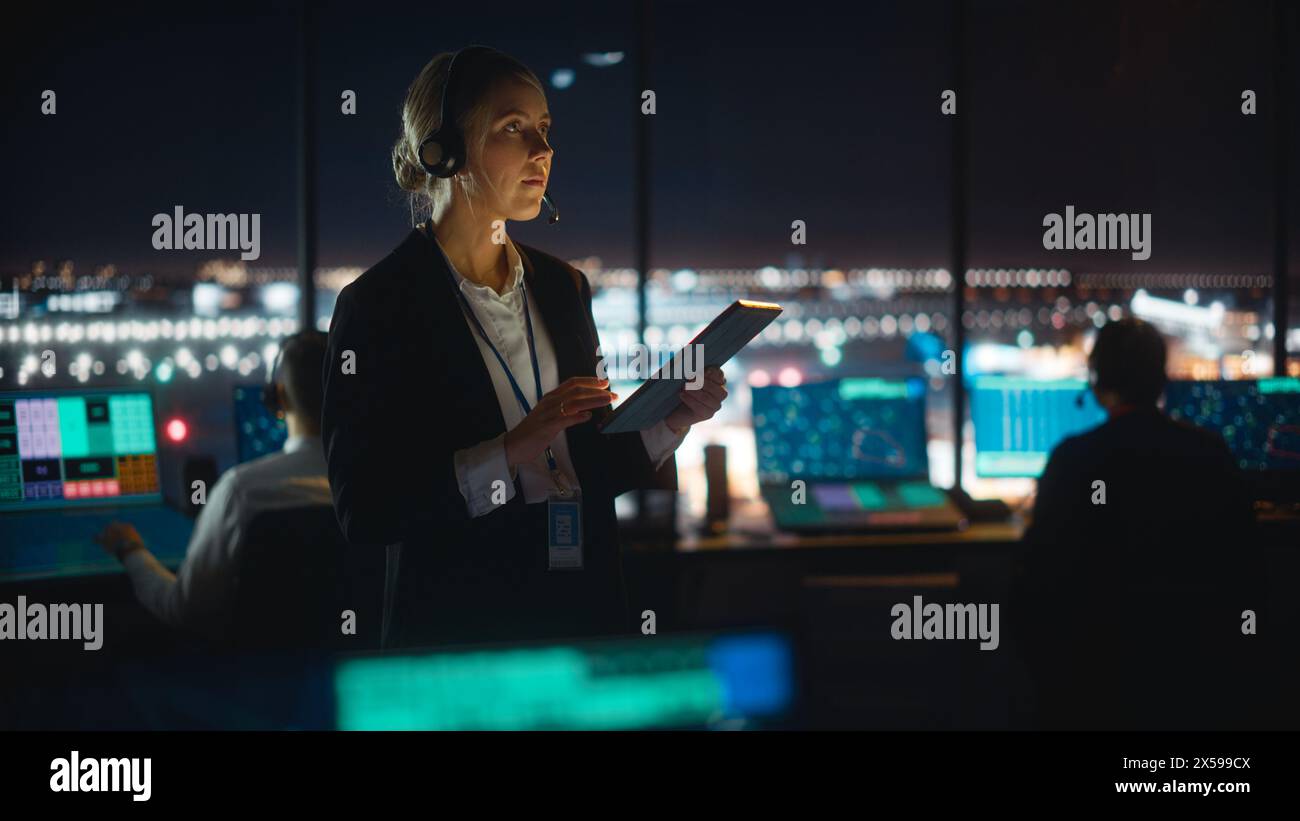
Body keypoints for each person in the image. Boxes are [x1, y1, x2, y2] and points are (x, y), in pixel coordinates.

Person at [321, 47, 728, 650]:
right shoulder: (378, 307)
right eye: (513, 128)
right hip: (461, 636)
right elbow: (367, 508)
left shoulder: (564, 288)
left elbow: (587, 466)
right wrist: (509, 451)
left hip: (582, 614)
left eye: (544, 130)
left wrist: (672, 419)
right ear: (447, 150)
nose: (542, 151)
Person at [1012, 318, 1264, 728]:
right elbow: (1247, 572)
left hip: (1091, 687)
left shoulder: (1074, 460)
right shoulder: (1210, 454)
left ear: (1095, 380)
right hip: (1196, 684)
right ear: (1161, 381)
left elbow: (1036, 577)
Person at [95, 331, 332, 640]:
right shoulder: (381, 489)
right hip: (367, 674)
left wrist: (130, 550)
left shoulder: (241, 492)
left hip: (261, 679)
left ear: (279, 397)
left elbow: (185, 610)